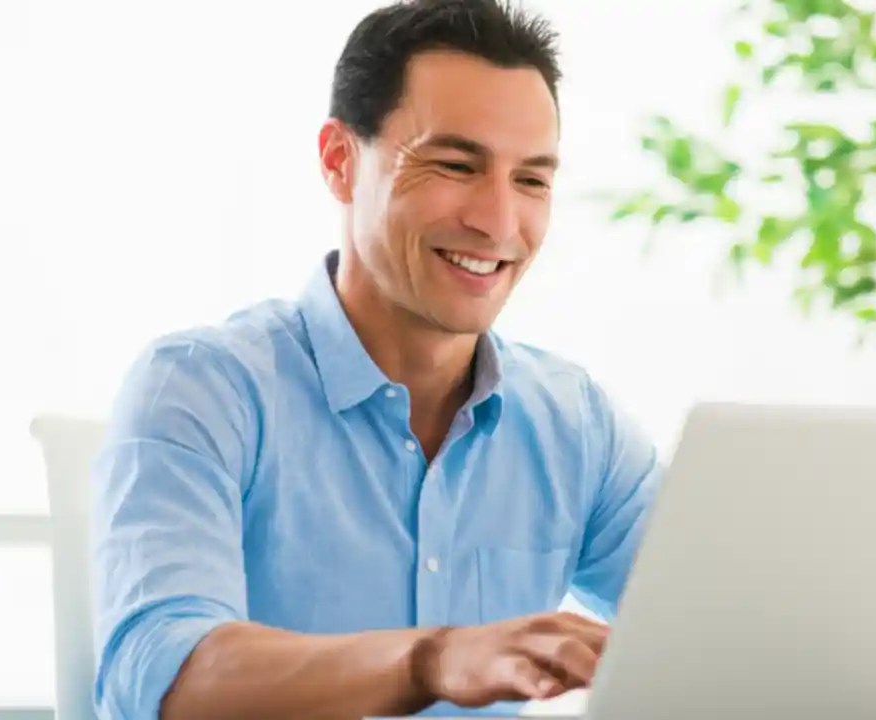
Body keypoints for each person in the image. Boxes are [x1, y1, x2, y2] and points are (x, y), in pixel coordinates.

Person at [89, 1, 662, 718]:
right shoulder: (205, 388)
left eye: (532, 181)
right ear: (339, 162)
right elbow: (162, 676)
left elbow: (720, 628)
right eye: (456, 164)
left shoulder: (575, 425)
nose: (498, 221)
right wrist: (434, 659)